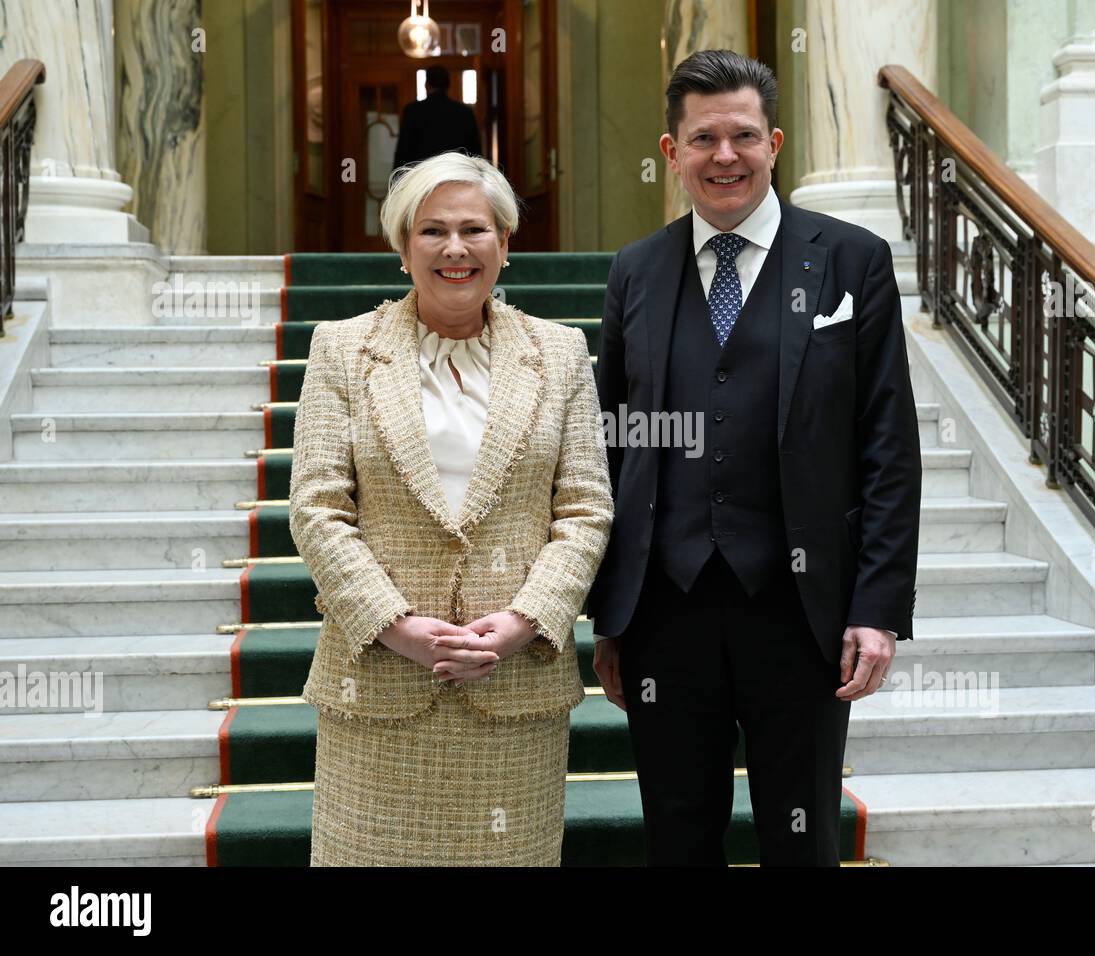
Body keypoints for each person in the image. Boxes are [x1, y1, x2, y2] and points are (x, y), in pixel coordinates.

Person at [586, 49, 922, 866]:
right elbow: (611, 441)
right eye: (703, 139)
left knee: (801, 836)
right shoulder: (636, 271)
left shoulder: (852, 261)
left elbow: (887, 444)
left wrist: (875, 607)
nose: (724, 156)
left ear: (774, 144)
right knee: (678, 835)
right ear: (672, 153)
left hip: (802, 614)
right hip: (666, 611)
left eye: (742, 136)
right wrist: (610, 613)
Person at [289, 152, 612, 866]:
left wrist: (521, 622)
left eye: (475, 229)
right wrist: (395, 625)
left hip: (514, 687)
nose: (455, 248)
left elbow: (586, 509)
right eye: (432, 230)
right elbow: (317, 508)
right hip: (377, 687)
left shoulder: (560, 354)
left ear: (505, 243)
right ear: (403, 248)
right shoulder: (342, 349)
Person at [393, 65, 482, 170]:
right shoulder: (465, 112)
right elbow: (475, 153)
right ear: (448, 85)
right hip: (456, 174)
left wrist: (397, 181)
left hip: (422, 177)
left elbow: (404, 151)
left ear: (426, 85)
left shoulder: (413, 111)